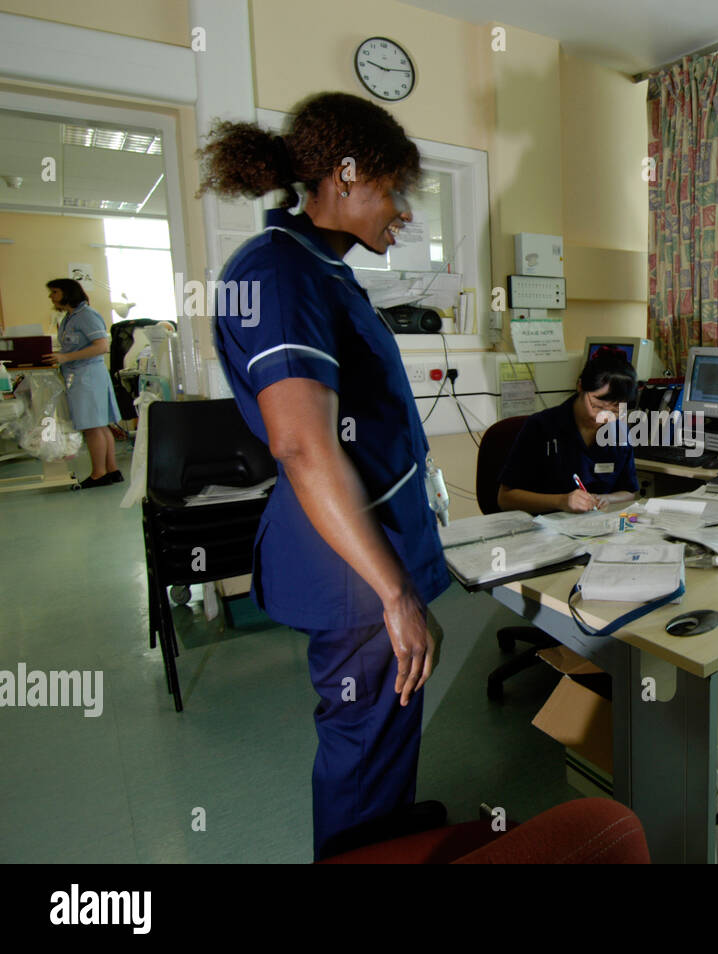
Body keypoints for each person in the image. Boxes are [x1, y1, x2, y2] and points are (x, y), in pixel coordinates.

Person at [199, 92, 450, 861]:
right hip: (354, 573)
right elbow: (304, 446)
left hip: (369, 554)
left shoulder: (320, 268)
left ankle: (386, 839)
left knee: (383, 733)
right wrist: (395, 594)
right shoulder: (278, 273)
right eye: (393, 189)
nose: (404, 211)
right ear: (344, 176)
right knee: (363, 751)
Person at [497, 348, 640, 514]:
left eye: (615, 411)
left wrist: (606, 498)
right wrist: (561, 501)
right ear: (580, 386)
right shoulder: (541, 426)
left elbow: (628, 491)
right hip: (543, 524)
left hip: (593, 524)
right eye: (597, 406)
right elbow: (505, 499)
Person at [44, 279, 122, 488]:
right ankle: (111, 470)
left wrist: (65, 357)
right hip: (82, 375)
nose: (51, 296)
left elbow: (102, 346)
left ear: (68, 293)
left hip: (87, 375)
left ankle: (99, 474)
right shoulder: (70, 317)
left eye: (55, 292)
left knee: (92, 427)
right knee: (99, 425)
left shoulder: (86, 315)